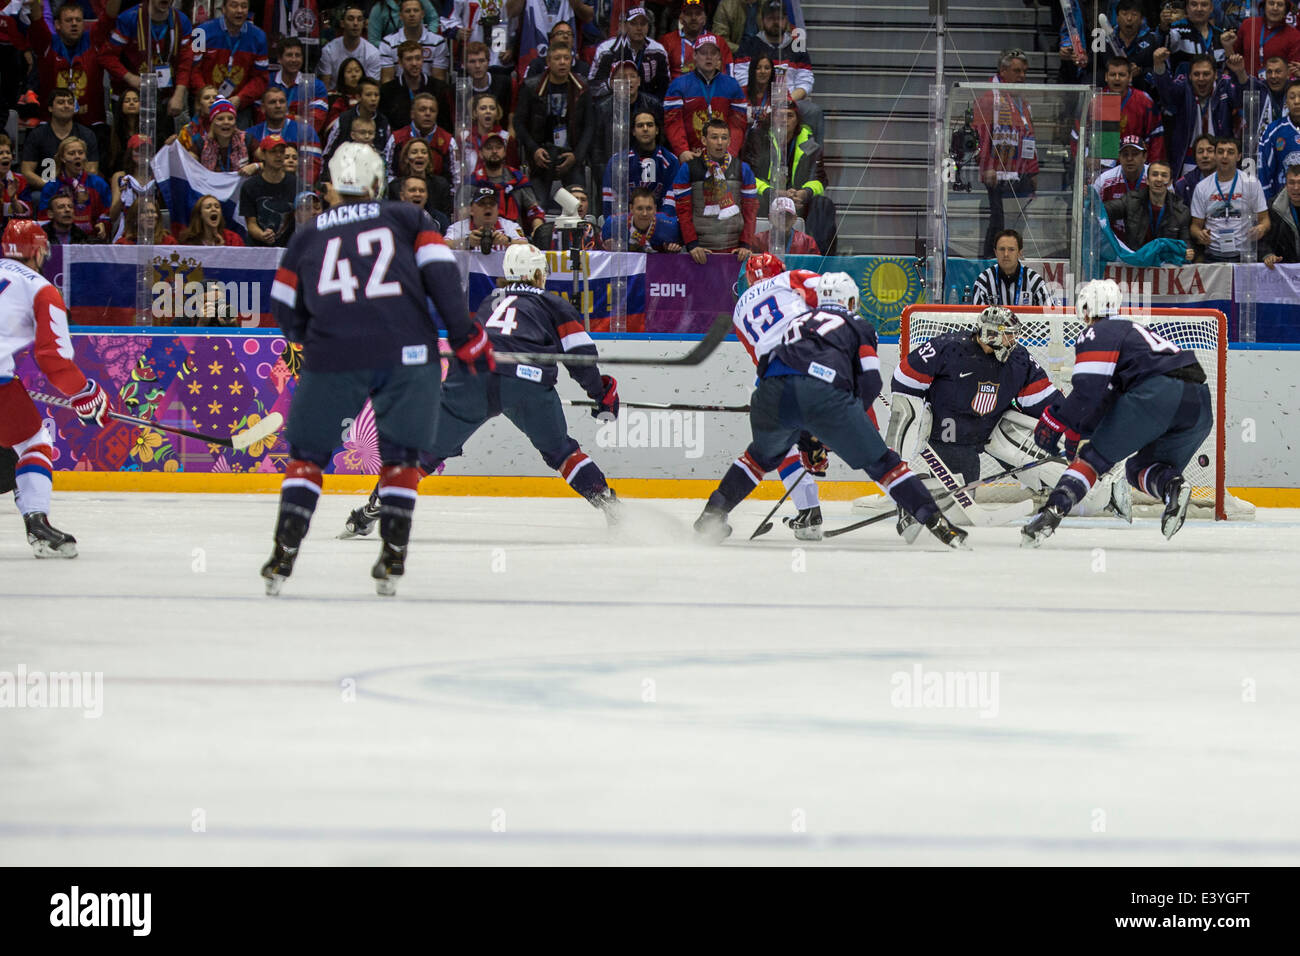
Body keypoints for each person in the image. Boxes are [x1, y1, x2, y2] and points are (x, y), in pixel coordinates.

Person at [265, 141, 486, 595]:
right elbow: (443, 276)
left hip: (333, 355)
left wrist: (313, 337)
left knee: (307, 459)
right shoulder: (407, 217)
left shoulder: (307, 233)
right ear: (377, 184)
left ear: (331, 188)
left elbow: (284, 306)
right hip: (405, 351)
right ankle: (393, 556)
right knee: (402, 459)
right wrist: (466, 335)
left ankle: (284, 553)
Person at [337, 242, 622, 540]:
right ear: (538, 273)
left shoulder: (489, 301)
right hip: (526, 381)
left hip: (471, 379)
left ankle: (369, 511)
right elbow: (580, 356)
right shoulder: (552, 302)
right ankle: (609, 504)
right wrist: (600, 394)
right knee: (563, 452)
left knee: (421, 455)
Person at [692, 272, 967, 549]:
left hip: (770, 391)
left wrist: (808, 439)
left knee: (757, 459)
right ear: (849, 301)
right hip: (823, 392)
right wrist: (846, 425)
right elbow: (870, 381)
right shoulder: (858, 324)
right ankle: (935, 521)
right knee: (883, 463)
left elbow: (779, 373)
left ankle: (712, 514)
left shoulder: (797, 321)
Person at [882, 304, 1129, 531]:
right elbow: (904, 379)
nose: (1013, 340)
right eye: (1007, 334)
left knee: (1052, 448)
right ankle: (904, 487)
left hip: (991, 433)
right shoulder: (948, 348)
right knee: (956, 514)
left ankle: (1096, 492)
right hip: (947, 440)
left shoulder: (1019, 361)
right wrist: (917, 422)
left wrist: (1082, 431)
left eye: (1014, 334)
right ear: (990, 334)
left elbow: (1046, 403)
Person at [1022, 279, 1212, 545]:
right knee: (1139, 469)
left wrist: (1055, 420)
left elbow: (1087, 390)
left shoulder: (1099, 332)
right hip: (1198, 403)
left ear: (1085, 308)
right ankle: (1174, 487)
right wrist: (1079, 428)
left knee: (1091, 460)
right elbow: (1105, 399)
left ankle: (1049, 516)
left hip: (1156, 395)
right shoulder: (1134, 332)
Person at [0, 218, 112, 557]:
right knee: (34, 441)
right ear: (38, 251)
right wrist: (84, 392)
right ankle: (37, 523)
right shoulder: (40, 287)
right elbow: (54, 359)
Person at [722, 251, 822, 536]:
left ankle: (809, 511)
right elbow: (829, 300)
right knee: (862, 436)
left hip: (776, 379)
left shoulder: (740, 308)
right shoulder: (789, 279)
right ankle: (905, 501)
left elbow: (758, 358)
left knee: (780, 446)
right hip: (823, 362)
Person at [743, 100, 834, 253]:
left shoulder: (809, 143)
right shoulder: (759, 139)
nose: (785, 120)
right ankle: (754, 256)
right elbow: (749, 175)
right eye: (780, 115)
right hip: (768, 196)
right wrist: (772, 192)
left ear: (797, 119)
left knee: (824, 204)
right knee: (751, 200)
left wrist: (805, 193)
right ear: (773, 118)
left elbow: (820, 180)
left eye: (790, 116)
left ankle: (821, 259)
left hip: (798, 199)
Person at [972, 50, 1039, 258]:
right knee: (998, 222)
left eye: (1024, 71)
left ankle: (1010, 260)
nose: (1022, 76)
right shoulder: (990, 98)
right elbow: (981, 136)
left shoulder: (1021, 101)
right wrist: (988, 166)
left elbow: (1029, 136)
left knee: (1017, 222)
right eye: (1016, 71)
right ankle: (991, 261)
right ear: (1003, 71)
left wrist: (1033, 170)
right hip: (998, 174)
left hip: (1019, 172)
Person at [732, 0, 824, 145]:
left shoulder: (797, 46)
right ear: (762, 20)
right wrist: (765, 99)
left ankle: (813, 164)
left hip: (790, 101)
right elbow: (741, 77)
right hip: (757, 100)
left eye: (779, 18)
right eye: (770, 18)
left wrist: (787, 101)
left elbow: (806, 80)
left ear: (786, 20)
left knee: (813, 111)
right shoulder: (749, 45)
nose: (775, 22)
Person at [27, 1, 111, 156]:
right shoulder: (47, 44)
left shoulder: (94, 42)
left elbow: (109, 18)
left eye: (78, 20)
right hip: (52, 126)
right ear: (57, 24)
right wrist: (33, 5)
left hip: (91, 125)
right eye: (69, 20)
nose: (74, 24)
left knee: (92, 173)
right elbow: (37, 20)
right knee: (49, 174)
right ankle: (50, 179)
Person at [514, 41, 594, 204]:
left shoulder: (582, 87)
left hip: (571, 155)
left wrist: (576, 156)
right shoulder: (531, 87)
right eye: (557, 58)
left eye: (566, 58)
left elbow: (589, 126)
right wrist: (534, 150)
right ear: (548, 62)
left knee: (577, 206)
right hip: (542, 157)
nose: (563, 62)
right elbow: (519, 124)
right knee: (538, 207)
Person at [669, 117, 757, 264]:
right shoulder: (688, 169)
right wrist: (692, 244)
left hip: (734, 251)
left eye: (724, 138)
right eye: (714, 137)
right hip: (700, 251)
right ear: (704, 140)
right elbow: (683, 211)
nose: (720, 142)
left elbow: (750, 210)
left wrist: (745, 244)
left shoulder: (743, 169)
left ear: (729, 141)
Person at [100, 0, 193, 138]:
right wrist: (130, 78)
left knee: (163, 148)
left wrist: (179, 94)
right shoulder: (129, 18)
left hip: (164, 98)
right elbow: (106, 56)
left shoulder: (182, 21)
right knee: (129, 150)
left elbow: (185, 62)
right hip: (130, 98)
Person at [180, 0, 269, 121]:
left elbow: (260, 78)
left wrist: (241, 98)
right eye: (234, 5)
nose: (239, 10)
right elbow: (193, 69)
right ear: (223, 9)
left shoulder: (259, 37)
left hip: (239, 107)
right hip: (206, 106)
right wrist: (207, 97)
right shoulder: (200, 32)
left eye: (244, 6)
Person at [663, 33, 747, 162]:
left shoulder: (732, 85)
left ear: (719, 56)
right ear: (695, 55)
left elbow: (737, 124)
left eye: (713, 53)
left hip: (723, 157)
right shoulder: (679, 85)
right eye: (703, 53)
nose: (708, 57)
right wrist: (682, 150)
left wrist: (730, 152)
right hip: (691, 156)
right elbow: (673, 121)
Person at [1151, 49, 1236, 176]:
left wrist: (1239, 73)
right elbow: (1168, 95)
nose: (1201, 78)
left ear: (1215, 75)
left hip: (1220, 157)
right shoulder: (1184, 87)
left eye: (1206, 74)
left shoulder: (1225, 87)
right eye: (1196, 74)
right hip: (1189, 158)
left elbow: (1241, 98)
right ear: (1189, 76)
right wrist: (1159, 66)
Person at [1190, 136, 1270, 261]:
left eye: (1230, 152)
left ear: (1238, 157)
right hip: (1212, 256)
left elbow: (1265, 219)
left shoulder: (1251, 183)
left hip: (1244, 255)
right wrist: (1200, 234)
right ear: (1215, 155)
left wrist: (1261, 228)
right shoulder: (1202, 187)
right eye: (1220, 152)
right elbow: (1195, 226)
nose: (1225, 156)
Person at [1105, 158, 1195, 259]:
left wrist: (1188, 252)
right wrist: (1089, 198)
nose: (1159, 179)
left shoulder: (1181, 210)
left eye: (1164, 176)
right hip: (1136, 262)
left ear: (1170, 182)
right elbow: (1105, 210)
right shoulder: (1131, 200)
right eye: (1155, 174)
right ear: (1147, 180)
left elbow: (1185, 242)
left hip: (1165, 264)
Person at [588, 59, 665, 174]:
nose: (628, 81)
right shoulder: (602, 109)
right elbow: (597, 148)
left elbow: (661, 141)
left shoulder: (653, 104)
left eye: (632, 76)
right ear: (613, 83)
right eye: (623, 77)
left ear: (639, 81)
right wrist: (604, 174)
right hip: (615, 171)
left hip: (647, 166)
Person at [601, 109, 678, 218]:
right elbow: (610, 202)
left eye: (650, 125)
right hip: (626, 227)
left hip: (659, 228)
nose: (645, 129)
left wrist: (658, 223)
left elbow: (671, 202)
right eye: (640, 125)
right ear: (633, 131)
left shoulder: (671, 162)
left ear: (657, 130)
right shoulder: (617, 162)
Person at [21, 89, 101, 193]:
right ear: (50, 108)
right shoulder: (37, 135)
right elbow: (26, 171)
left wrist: (74, 187)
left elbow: (92, 170)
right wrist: (50, 188)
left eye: (70, 102)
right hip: (45, 190)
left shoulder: (87, 134)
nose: (66, 105)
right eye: (61, 102)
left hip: (79, 190)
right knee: (36, 197)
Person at [470, 129, 545, 236]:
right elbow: (463, 214)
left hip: (514, 238)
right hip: (479, 237)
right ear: (481, 153)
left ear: (505, 152)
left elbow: (534, 210)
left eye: (498, 147)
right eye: (489, 148)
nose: (494, 151)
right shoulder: (473, 181)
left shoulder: (518, 179)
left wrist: (537, 228)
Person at [36, 138, 111, 241]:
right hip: (58, 240)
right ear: (62, 158)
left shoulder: (98, 183)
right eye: (71, 153)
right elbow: (43, 218)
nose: (77, 156)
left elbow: (106, 212)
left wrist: (103, 224)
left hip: (89, 241)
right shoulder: (52, 186)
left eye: (81, 153)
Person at [589, 6, 670, 98]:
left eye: (643, 24)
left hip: (647, 106)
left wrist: (652, 107)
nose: (639, 28)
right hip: (613, 105)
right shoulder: (606, 50)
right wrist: (610, 84)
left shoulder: (658, 51)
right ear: (625, 26)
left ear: (648, 27)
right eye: (633, 23)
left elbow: (664, 86)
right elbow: (592, 87)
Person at [246, 86, 323, 181]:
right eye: (272, 102)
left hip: (294, 189)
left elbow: (312, 170)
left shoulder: (306, 132)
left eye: (282, 102)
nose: (278, 106)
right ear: (262, 108)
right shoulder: (250, 134)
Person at [1102, 55, 1166, 163]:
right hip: (1103, 168)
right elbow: (1080, 135)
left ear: (1130, 77)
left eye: (1122, 75)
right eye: (1113, 74)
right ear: (1106, 77)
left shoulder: (1144, 101)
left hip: (1136, 165)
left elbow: (1156, 137)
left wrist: (1152, 167)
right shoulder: (1096, 101)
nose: (1117, 78)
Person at [240, 135, 298, 246]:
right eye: (273, 152)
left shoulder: (297, 184)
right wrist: (262, 235)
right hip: (259, 249)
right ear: (262, 155)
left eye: (282, 151)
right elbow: (251, 223)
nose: (278, 155)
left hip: (288, 247)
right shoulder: (250, 186)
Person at [971, 229, 1053, 306]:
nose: (1006, 254)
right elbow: (977, 317)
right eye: (1002, 249)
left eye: (1011, 249)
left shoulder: (1035, 281)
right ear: (995, 252)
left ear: (1020, 252)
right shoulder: (983, 281)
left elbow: (1050, 315)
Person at [378, 40, 443, 131]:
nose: (414, 63)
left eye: (418, 58)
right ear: (400, 62)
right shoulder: (387, 91)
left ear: (422, 60)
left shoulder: (439, 88)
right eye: (409, 59)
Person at [378, 0, 450, 84]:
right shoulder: (388, 43)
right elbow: (387, 79)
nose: (412, 14)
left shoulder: (438, 42)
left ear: (422, 14)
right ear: (400, 15)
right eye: (407, 11)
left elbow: (439, 79)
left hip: (429, 92)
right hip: (398, 92)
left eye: (416, 10)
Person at [267, 37, 329, 134]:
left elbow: (314, 123)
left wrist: (278, 117)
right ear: (279, 59)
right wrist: (296, 118)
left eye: (298, 55)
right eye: (289, 55)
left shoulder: (316, 86)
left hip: (302, 140)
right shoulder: (267, 82)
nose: (294, 59)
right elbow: (261, 118)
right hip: (270, 139)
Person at [384, 92, 453, 175]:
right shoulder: (397, 138)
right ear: (412, 114)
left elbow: (455, 181)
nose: (428, 113)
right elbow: (387, 174)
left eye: (432, 110)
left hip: (436, 187)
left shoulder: (448, 141)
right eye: (422, 110)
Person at [187, 96, 260, 175]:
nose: (226, 122)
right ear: (212, 123)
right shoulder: (201, 143)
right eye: (220, 119)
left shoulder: (247, 139)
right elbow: (185, 164)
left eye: (230, 118)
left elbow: (271, 160)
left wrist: (256, 166)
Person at [323, 77, 391, 162]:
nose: (373, 99)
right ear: (358, 97)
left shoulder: (383, 122)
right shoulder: (344, 120)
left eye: (376, 95)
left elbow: (387, 155)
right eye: (368, 95)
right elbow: (328, 153)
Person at [661, 0, 733, 79]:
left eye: (698, 14)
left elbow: (728, 76)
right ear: (681, 18)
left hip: (709, 89)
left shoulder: (718, 41)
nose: (693, 18)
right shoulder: (667, 41)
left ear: (705, 18)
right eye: (689, 14)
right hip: (678, 89)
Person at [387, 137, 452, 221]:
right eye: (414, 152)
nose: (420, 155)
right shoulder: (395, 187)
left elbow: (445, 218)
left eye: (424, 152)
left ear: (428, 158)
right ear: (406, 158)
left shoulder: (441, 184)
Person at [317, 3, 382, 88]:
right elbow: (325, 88)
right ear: (342, 23)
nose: (355, 23)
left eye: (359, 19)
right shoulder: (328, 51)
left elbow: (372, 89)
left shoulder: (373, 53)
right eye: (351, 19)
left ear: (364, 23)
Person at [601, 186, 682, 251]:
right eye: (640, 208)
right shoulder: (613, 224)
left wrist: (673, 249)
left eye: (649, 208)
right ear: (631, 208)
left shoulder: (671, 226)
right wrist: (607, 248)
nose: (644, 213)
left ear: (655, 209)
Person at [1166, 0, 1236, 75]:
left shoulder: (1221, 36)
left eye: (1204, 5)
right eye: (1194, 4)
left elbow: (1228, 73)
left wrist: (1229, 48)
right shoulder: (1174, 30)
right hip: (1181, 86)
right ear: (1187, 7)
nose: (1199, 9)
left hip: (1214, 86)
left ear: (1211, 8)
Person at [445, 185, 527, 249]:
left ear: (498, 209)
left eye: (492, 203)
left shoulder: (511, 227)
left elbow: (528, 246)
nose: (488, 207)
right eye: (482, 203)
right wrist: (467, 242)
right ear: (471, 210)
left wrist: (507, 241)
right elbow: (443, 244)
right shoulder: (458, 228)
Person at [1258, 79, 1300, 201]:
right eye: (1292, 97)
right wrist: (1267, 203)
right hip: (1282, 203)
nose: (1297, 101)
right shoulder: (1273, 131)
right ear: (1286, 102)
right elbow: (1263, 171)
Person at [1235, 0, 1300, 77]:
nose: (1275, 8)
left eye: (1280, 5)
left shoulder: (1295, 36)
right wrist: (1228, 46)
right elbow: (1236, 56)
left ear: (1286, 10)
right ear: (1264, 6)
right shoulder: (1248, 25)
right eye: (1271, 3)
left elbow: (1293, 72)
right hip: (1247, 85)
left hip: (1278, 86)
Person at [1261, 162, 1300, 266]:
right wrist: (1268, 255)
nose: (1296, 188)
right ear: (1285, 184)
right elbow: (1264, 240)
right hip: (1283, 269)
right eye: (1291, 183)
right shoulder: (1274, 207)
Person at [750, 194, 818, 254]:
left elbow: (817, 266)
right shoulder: (757, 240)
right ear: (770, 218)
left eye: (788, 216)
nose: (784, 220)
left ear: (795, 219)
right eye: (780, 216)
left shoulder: (808, 242)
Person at [180, 194, 245, 246]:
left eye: (217, 207)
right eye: (208, 207)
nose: (214, 209)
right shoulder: (188, 240)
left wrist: (222, 250)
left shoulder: (233, 239)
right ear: (200, 214)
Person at [1174, 132, 1218, 203]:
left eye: (1210, 151)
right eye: (1200, 152)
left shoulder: (1232, 181)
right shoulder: (1183, 185)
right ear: (1195, 156)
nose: (1205, 155)